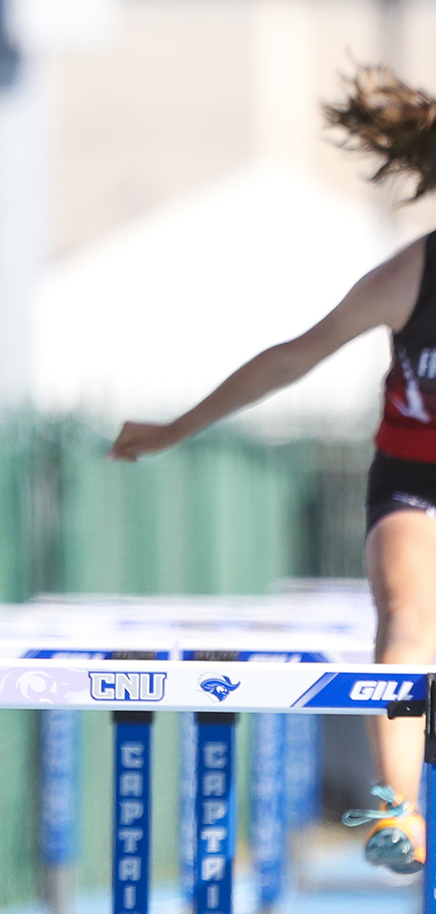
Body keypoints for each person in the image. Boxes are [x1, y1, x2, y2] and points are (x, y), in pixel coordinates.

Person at [111, 66, 436, 874]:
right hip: (413, 483)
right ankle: (400, 809)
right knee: (407, 612)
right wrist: (177, 428)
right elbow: (293, 358)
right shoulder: (413, 276)